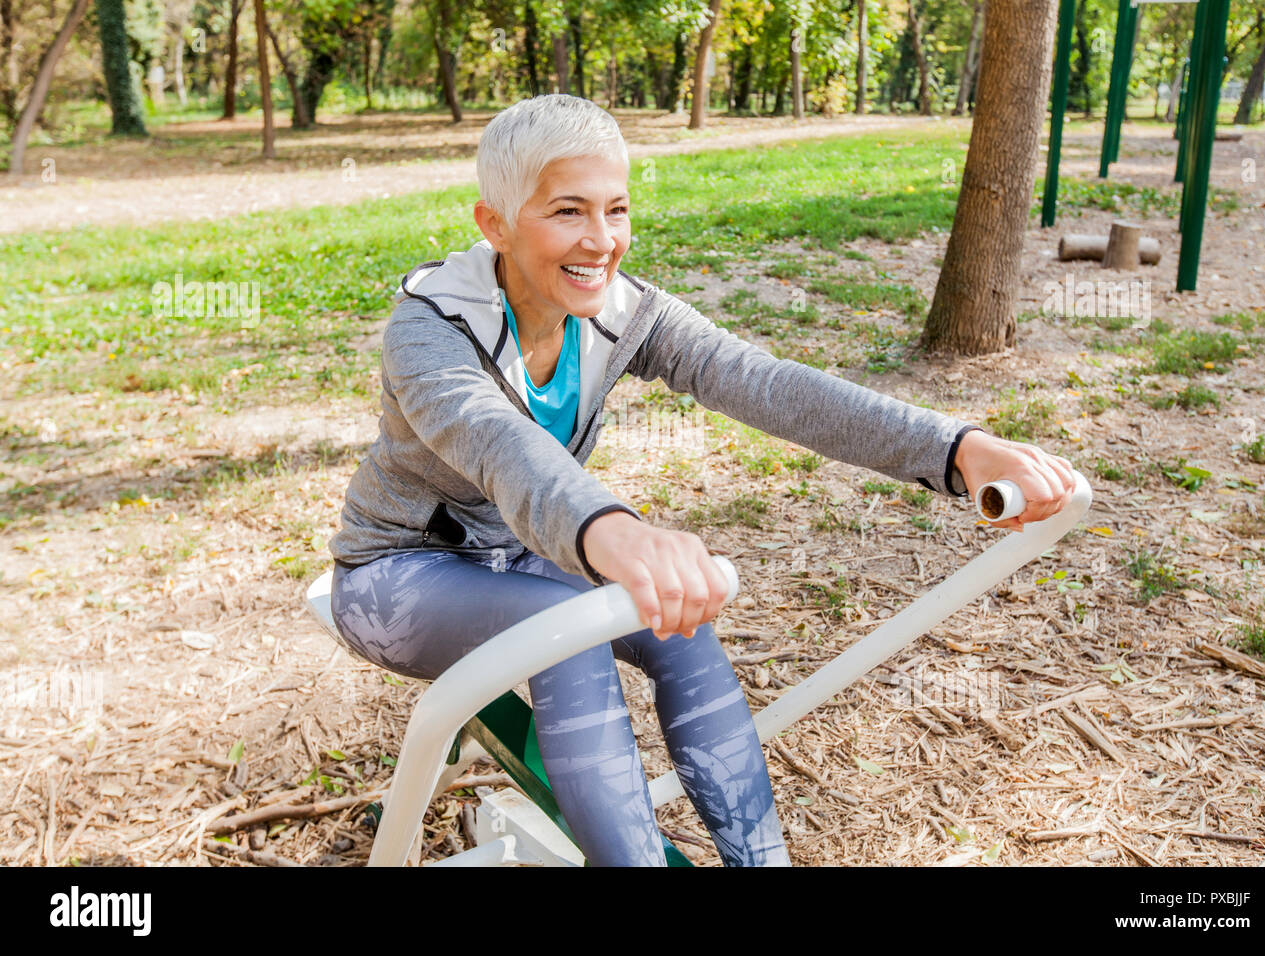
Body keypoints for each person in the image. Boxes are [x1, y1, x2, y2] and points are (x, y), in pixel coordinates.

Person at [327, 94, 1076, 867]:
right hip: (397, 574)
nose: (602, 240)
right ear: (496, 225)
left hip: (523, 557)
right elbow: (498, 444)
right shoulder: (429, 327)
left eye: (616, 209)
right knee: (565, 638)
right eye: (567, 212)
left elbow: (765, 382)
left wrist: (957, 449)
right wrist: (615, 532)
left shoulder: (622, 314)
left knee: (677, 628)